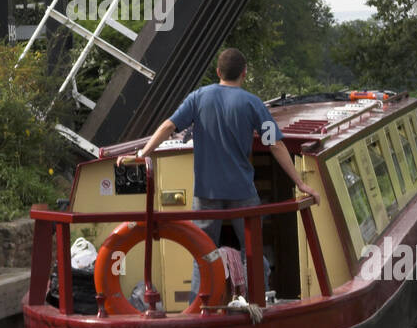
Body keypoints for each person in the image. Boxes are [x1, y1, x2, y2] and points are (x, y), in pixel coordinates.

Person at [128, 47, 320, 299]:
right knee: (252, 250)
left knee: (203, 252)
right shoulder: (252, 103)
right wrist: (300, 183)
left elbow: (168, 126)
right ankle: (259, 302)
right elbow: (275, 144)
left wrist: (143, 154)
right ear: (244, 73)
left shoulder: (198, 98)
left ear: (218, 72)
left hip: (207, 192)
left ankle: (202, 306)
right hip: (242, 191)